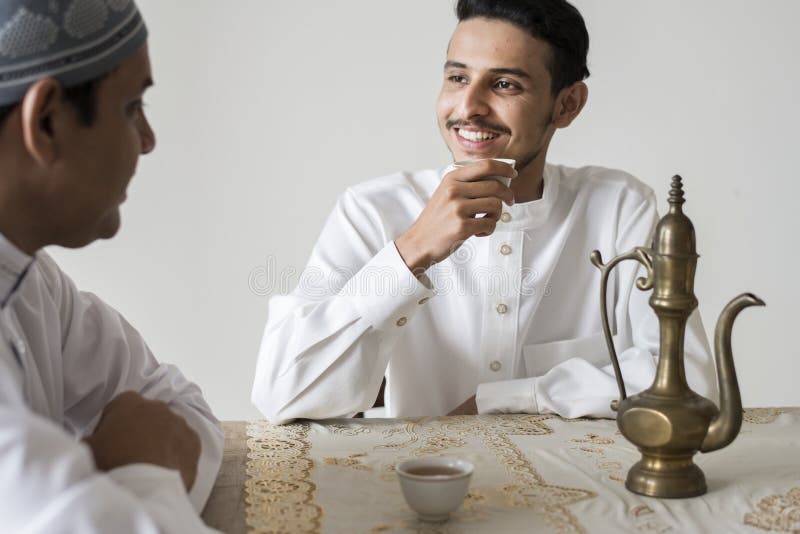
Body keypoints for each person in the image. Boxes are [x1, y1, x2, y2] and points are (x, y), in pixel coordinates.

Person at [252, 0, 717, 424]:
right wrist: (411, 251)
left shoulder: (617, 207)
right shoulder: (371, 210)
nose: (469, 108)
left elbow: (687, 382)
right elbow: (282, 396)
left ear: (567, 104)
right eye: (457, 78)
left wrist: (497, 401)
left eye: (504, 84)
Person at [0, 1, 222, 532]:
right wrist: (137, 473)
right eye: (131, 107)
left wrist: (106, 490)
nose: (148, 139)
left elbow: (182, 409)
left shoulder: (35, 286)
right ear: (47, 121)